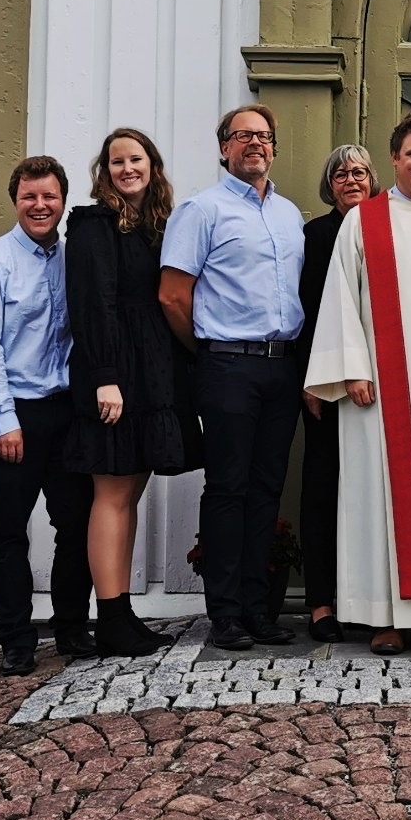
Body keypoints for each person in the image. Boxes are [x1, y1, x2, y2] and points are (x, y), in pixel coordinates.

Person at [305, 116, 411, 655]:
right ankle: (383, 616)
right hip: (377, 388)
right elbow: (340, 296)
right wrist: (352, 366)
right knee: (376, 498)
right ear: (394, 160)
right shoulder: (363, 221)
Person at [160, 105, 305, 651]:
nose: (255, 144)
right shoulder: (202, 210)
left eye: (263, 136)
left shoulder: (289, 215)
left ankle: (257, 608)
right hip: (226, 366)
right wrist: (209, 352)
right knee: (227, 489)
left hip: (281, 366)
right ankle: (224, 614)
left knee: (267, 490)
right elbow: (173, 295)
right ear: (224, 148)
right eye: (243, 136)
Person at [64, 128, 200, 657]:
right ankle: (112, 619)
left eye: (135, 159)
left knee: (130, 493)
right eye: (117, 161)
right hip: (116, 373)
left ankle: (121, 613)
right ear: (106, 171)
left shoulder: (155, 225)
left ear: (152, 165)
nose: (127, 169)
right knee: (112, 494)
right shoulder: (94, 224)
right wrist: (105, 377)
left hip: (151, 373)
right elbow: (92, 304)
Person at [0, 156, 95, 676]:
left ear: (63, 200)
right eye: (29, 197)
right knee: (8, 532)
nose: (40, 206)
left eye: (49, 196)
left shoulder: (73, 259)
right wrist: (2, 419)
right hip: (12, 415)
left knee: (77, 524)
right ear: (15, 201)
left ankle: (70, 629)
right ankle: (16, 640)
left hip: (66, 414)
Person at [296, 145, 379, 643]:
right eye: (341, 173)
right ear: (329, 185)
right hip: (327, 381)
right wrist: (313, 378)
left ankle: (369, 596)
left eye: (360, 172)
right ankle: (322, 601)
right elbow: (306, 310)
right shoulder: (316, 235)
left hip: (380, 384)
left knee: (371, 489)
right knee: (324, 486)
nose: (351, 180)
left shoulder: (383, 228)